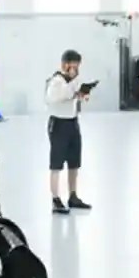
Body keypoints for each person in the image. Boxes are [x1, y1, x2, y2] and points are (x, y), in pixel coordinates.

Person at [46, 49, 93, 215]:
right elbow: (55, 98)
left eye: (78, 66)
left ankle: (73, 195)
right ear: (65, 65)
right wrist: (73, 88)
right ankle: (55, 198)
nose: (76, 69)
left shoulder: (74, 80)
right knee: (56, 163)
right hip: (58, 123)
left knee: (74, 162)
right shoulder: (56, 81)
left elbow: (74, 95)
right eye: (74, 66)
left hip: (73, 122)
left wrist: (82, 94)